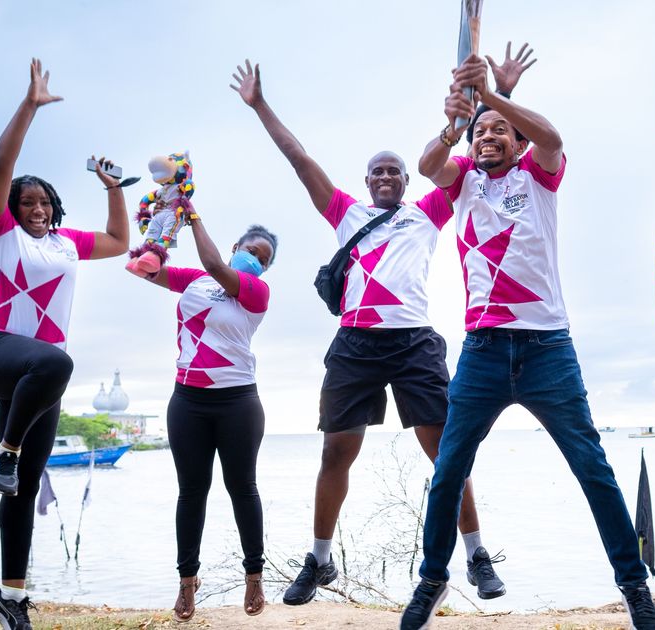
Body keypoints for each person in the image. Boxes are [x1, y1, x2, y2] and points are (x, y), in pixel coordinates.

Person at [229, 48, 534, 606]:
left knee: (447, 452)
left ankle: (476, 555)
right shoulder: (345, 212)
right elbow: (299, 160)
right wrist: (259, 105)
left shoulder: (426, 212)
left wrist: (501, 98)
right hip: (354, 345)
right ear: (367, 181)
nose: (389, 176)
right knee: (335, 452)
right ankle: (319, 560)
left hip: (414, 341)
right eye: (380, 171)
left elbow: (487, 154)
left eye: (395, 170)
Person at [400, 55, 655, 630]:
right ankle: (433, 580)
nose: (488, 136)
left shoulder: (538, 175)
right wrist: (457, 121)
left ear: (517, 144)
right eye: (481, 133)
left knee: (592, 467)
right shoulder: (464, 180)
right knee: (448, 468)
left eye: (499, 130)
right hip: (484, 350)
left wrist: (491, 99)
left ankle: (634, 586)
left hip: (548, 349)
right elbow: (427, 164)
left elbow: (552, 136)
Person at [0, 59, 130, 630]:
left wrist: (113, 188)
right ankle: (4, 453)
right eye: (27, 202)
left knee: (22, 490)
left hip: (37, 381)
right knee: (57, 361)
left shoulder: (65, 244)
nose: (36, 210)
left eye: (44, 203)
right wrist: (30, 106)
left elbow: (116, 240)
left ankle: (10, 597)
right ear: (12, 209)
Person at [136, 206, 277, 622]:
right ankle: (186, 582)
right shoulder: (193, 281)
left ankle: (253, 575)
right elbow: (141, 270)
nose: (255, 259)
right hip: (187, 402)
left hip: (238, 403)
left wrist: (192, 212)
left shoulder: (253, 291)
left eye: (264, 259)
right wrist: (157, 236)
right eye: (251, 250)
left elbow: (213, 262)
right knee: (191, 493)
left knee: (242, 489)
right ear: (237, 246)